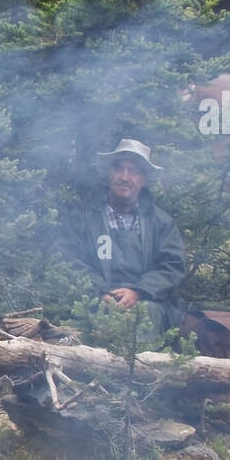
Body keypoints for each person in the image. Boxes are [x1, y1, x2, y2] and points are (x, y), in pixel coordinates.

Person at [60, 138, 186, 334]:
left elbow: (172, 267)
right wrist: (100, 291)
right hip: (93, 299)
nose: (125, 177)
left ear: (143, 180)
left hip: (146, 304)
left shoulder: (161, 223)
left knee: (146, 317)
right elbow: (68, 258)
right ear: (108, 174)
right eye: (119, 169)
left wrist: (138, 292)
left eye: (134, 171)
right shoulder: (82, 217)